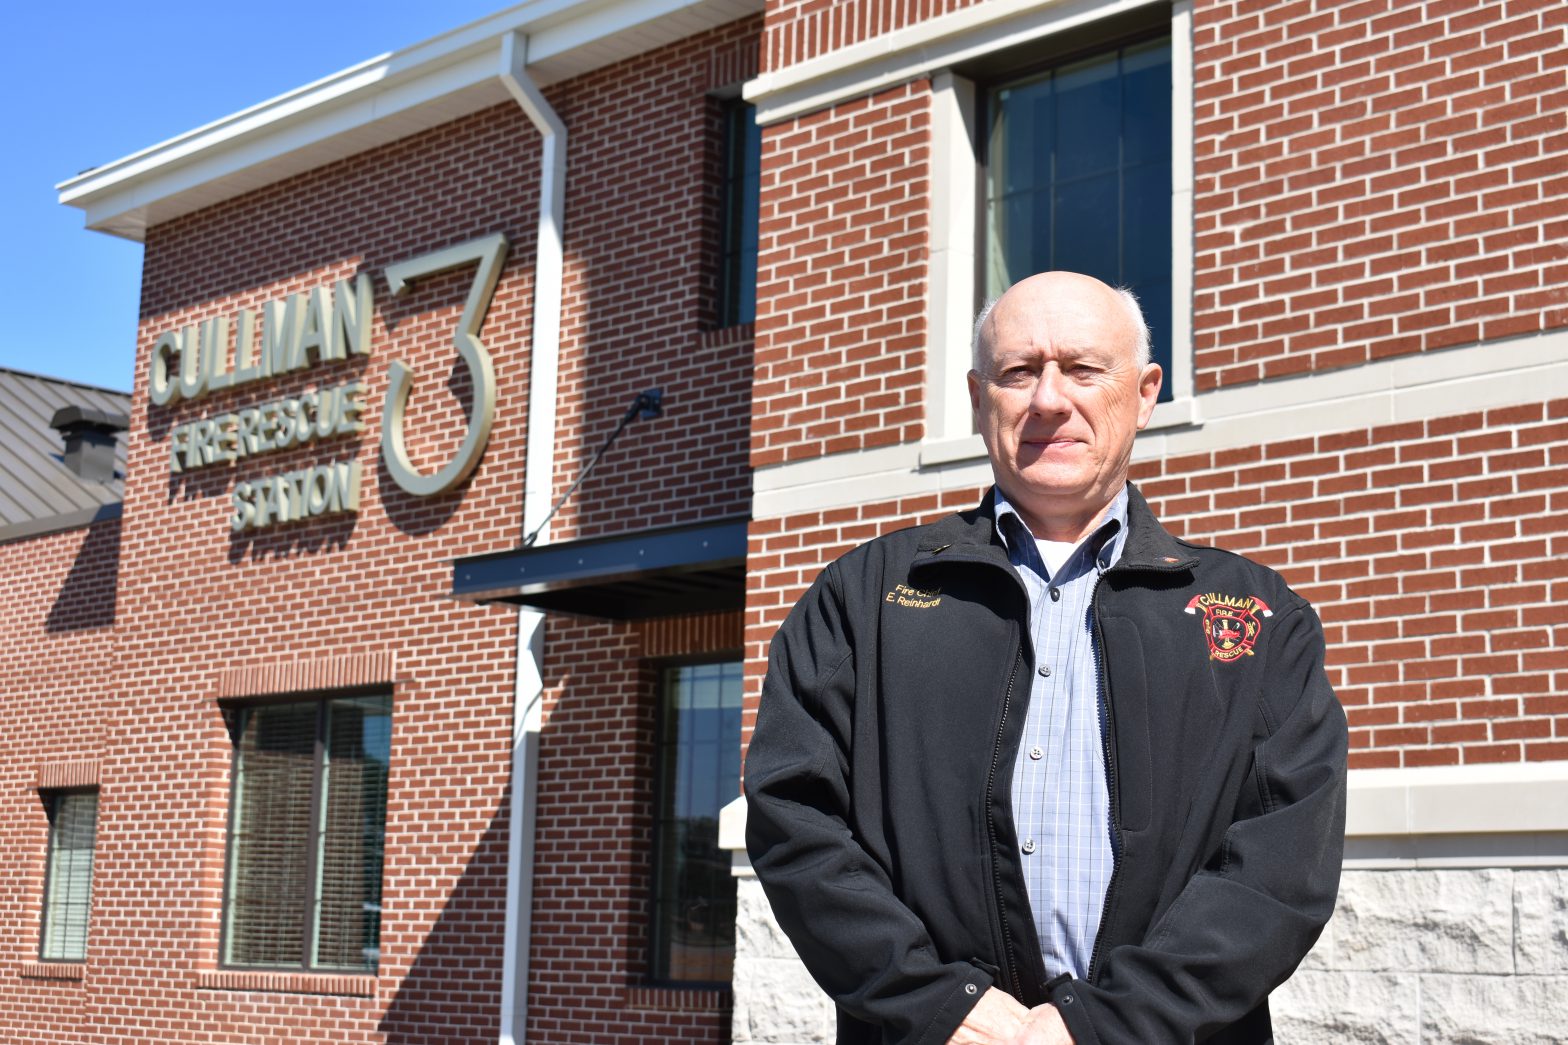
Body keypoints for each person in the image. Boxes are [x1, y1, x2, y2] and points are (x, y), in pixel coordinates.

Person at [743, 271, 1348, 1044]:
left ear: (1145, 391)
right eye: (1020, 370)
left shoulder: (1260, 618)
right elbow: (795, 819)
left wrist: (1100, 1025)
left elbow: (1279, 867)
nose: (1051, 400)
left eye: (1085, 368)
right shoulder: (863, 598)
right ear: (977, 396)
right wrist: (942, 1004)